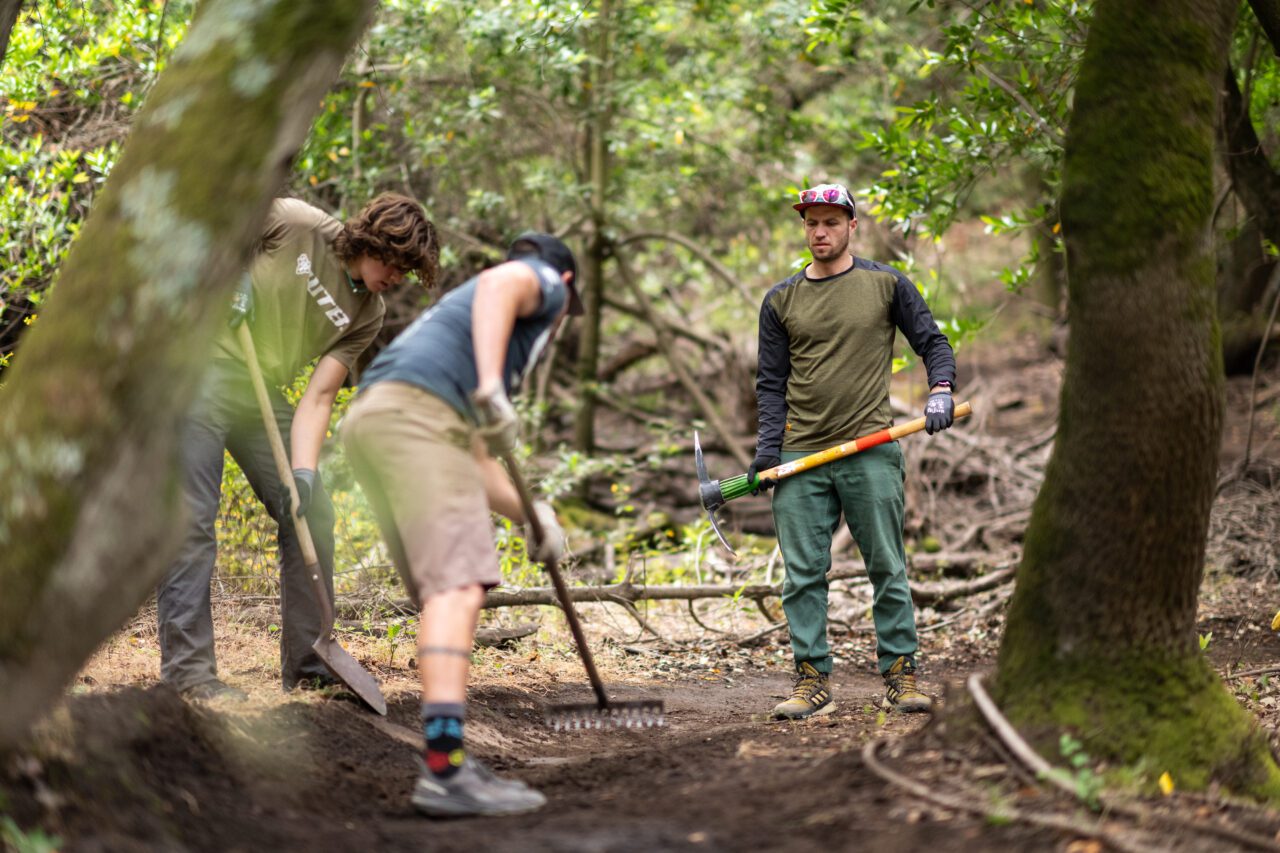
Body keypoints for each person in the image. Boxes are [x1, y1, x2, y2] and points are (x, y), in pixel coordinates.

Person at [158, 194, 439, 700]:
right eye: (394, 264)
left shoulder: (366, 314)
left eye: (407, 272)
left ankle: (310, 665)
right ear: (372, 241)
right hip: (197, 369)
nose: (397, 278)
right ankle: (189, 675)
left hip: (257, 392)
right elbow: (218, 221)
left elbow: (320, 395)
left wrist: (303, 473)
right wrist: (231, 276)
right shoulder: (295, 223)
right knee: (194, 517)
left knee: (313, 514)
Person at [341, 232, 582, 818]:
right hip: (416, 419)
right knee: (458, 587)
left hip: (376, 421)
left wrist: (535, 514)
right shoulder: (541, 285)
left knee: (443, 592)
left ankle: (447, 762)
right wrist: (495, 387)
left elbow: (473, 463)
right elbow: (506, 281)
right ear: (566, 290)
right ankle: (445, 770)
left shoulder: (461, 338)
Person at [751, 182, 956, 720]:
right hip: (801, 453)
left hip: (871, 447)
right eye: (811, 223)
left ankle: (900, 675)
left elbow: (933, 343)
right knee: (802, 574)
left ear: (851, 226)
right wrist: (767, 452)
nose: (820, 231)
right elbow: (770, 385)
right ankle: (811, 681)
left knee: (887, 565)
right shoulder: (780, 300)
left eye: (830, 222)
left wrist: (941, 390)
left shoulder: (885, 285)